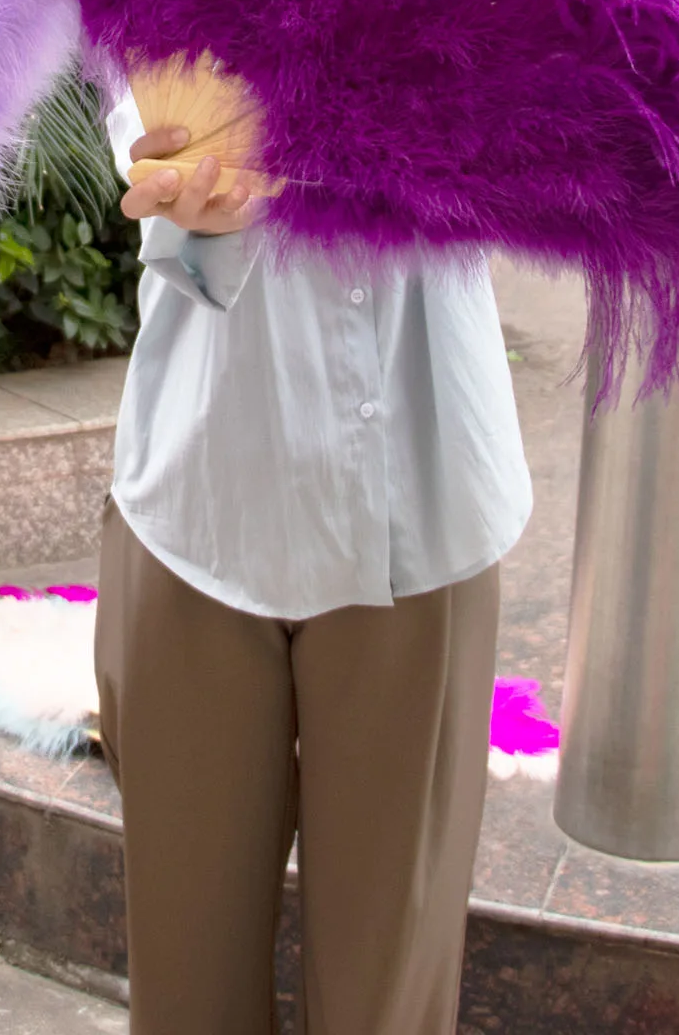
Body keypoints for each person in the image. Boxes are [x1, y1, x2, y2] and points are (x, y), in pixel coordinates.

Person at [95, 104, 532, 1035]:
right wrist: (199, 179)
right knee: (187, 989)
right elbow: (142, 91)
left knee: (391, 996)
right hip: (200, 498)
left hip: (423, 502)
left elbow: (527, 123)